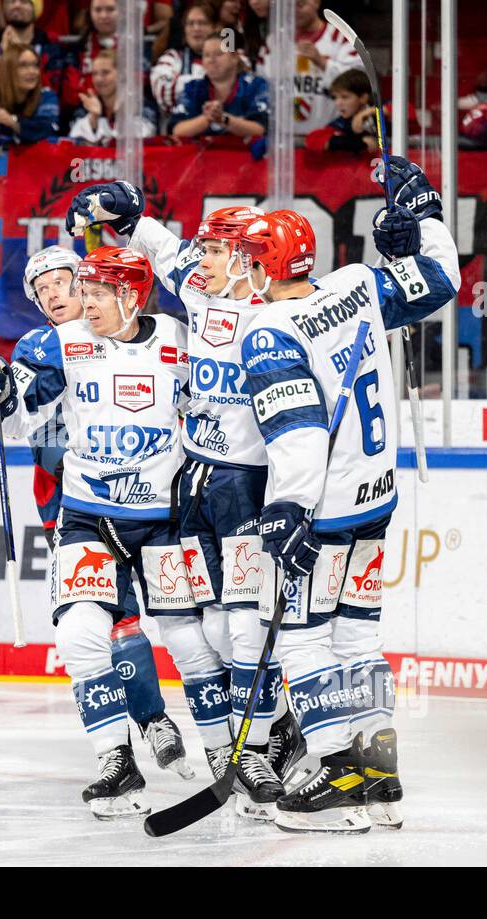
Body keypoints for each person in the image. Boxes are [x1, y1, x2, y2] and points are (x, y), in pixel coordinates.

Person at [0, 248, 237, 819]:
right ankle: (116, 762)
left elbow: (218, 410)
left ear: (131, 296)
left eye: (92, 292)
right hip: (89, 516)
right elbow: (20, 415)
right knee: (80, 635)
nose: (80, 302)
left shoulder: (178, 339)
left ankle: (225, 759)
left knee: (191, 639)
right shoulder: (56, 345)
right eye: (77, 292)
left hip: (165, 521)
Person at [66, 184, 307, 815]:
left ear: (247, 257)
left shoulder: (278, 314)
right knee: (198, 628)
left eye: (214, 248)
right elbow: (161, 248)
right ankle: (257, 737)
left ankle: (265, 737)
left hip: (250, 488)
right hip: (195, 485)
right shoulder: (199, 291)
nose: (198, 256)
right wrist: (129, 214)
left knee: (240, 630)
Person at [236, 157, 459, 833]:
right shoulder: (358, 283)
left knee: (302, 639)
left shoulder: (267, 331)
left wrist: (288, 512)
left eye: (250, 261)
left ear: (264, 268)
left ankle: (336, 767)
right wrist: (423, 222)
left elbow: (299, 429)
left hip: (325, 509)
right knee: (358, 633)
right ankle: (378, 768)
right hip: (377, 499)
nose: (244, 272)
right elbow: (441, 280)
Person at [14, 246, 192, 780]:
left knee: (152, 620)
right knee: (104, 621)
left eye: (62, 283)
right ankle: (143, 727)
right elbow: (36, 434)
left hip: (151, 504)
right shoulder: (44, 347)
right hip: (71, 503)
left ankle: (158, 719)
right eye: (41, 291)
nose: (54, 296)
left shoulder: (140, 338)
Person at [244, 0, 362, 135]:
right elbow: (261, 86)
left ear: (316, 3)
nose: (294, 11)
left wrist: (323, 63)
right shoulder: (274, 41)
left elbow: (359, 82)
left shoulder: (340, 37)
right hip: (283, 139)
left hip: (329, 138)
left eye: (300, 5)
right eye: (290, 6)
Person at [169, 31, 268, 144]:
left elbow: (260, 129)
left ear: (234, 57)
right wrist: (208, 118)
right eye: (206, 55)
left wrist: (223, 119)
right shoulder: (193, 88)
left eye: (218, 54)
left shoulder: (256, 86)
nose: (211, 60)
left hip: (246, 157)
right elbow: (177, 130)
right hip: (203, 158)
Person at [68, 49, 157, 144]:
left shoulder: (141, 104)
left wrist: (121, 114)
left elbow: (146, 135)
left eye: (105, 73)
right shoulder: (85, 107)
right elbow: (73, 144)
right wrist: (93, 118)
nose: (99, 79)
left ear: (121, 74)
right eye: (94, 74)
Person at [149, 1, 217, 119]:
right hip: (183, 129)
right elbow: (163, 92)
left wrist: (183, 85)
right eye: (190, 24)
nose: (196, 28)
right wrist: (214, 85)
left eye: (202, 23)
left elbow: (238, 92)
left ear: (214, 28)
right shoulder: (171, 58)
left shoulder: (232, 55)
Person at [0, 45, 60, 148]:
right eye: (23, 65)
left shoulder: (47, 97)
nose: (32, 71)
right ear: (8, 69)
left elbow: (46, 129)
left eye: (35, 65)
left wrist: (13, 122)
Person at [0, 0, 66, 91]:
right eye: (11, 1)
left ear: (35, 9)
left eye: (24, 1)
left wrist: (18, 53)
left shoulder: (50, 46)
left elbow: (52, 88)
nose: (17, 5)